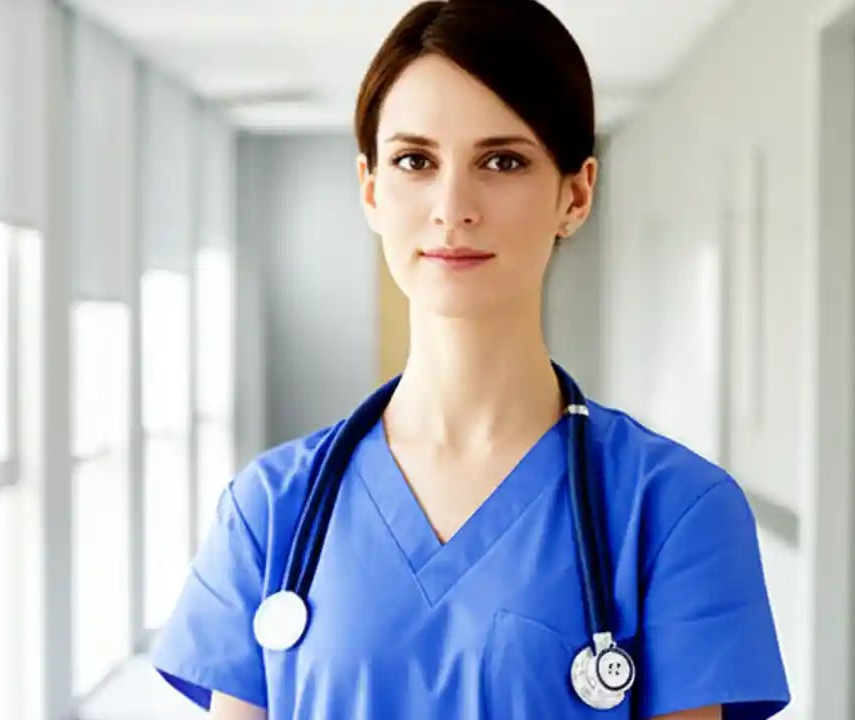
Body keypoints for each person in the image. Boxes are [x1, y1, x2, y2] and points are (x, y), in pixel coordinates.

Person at [151, 1, 791, 717]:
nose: (453, 207)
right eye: (415, 161)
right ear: (370, 188)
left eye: (502, 161)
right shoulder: (271, 509)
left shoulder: (674, 510)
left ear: (576, 194)